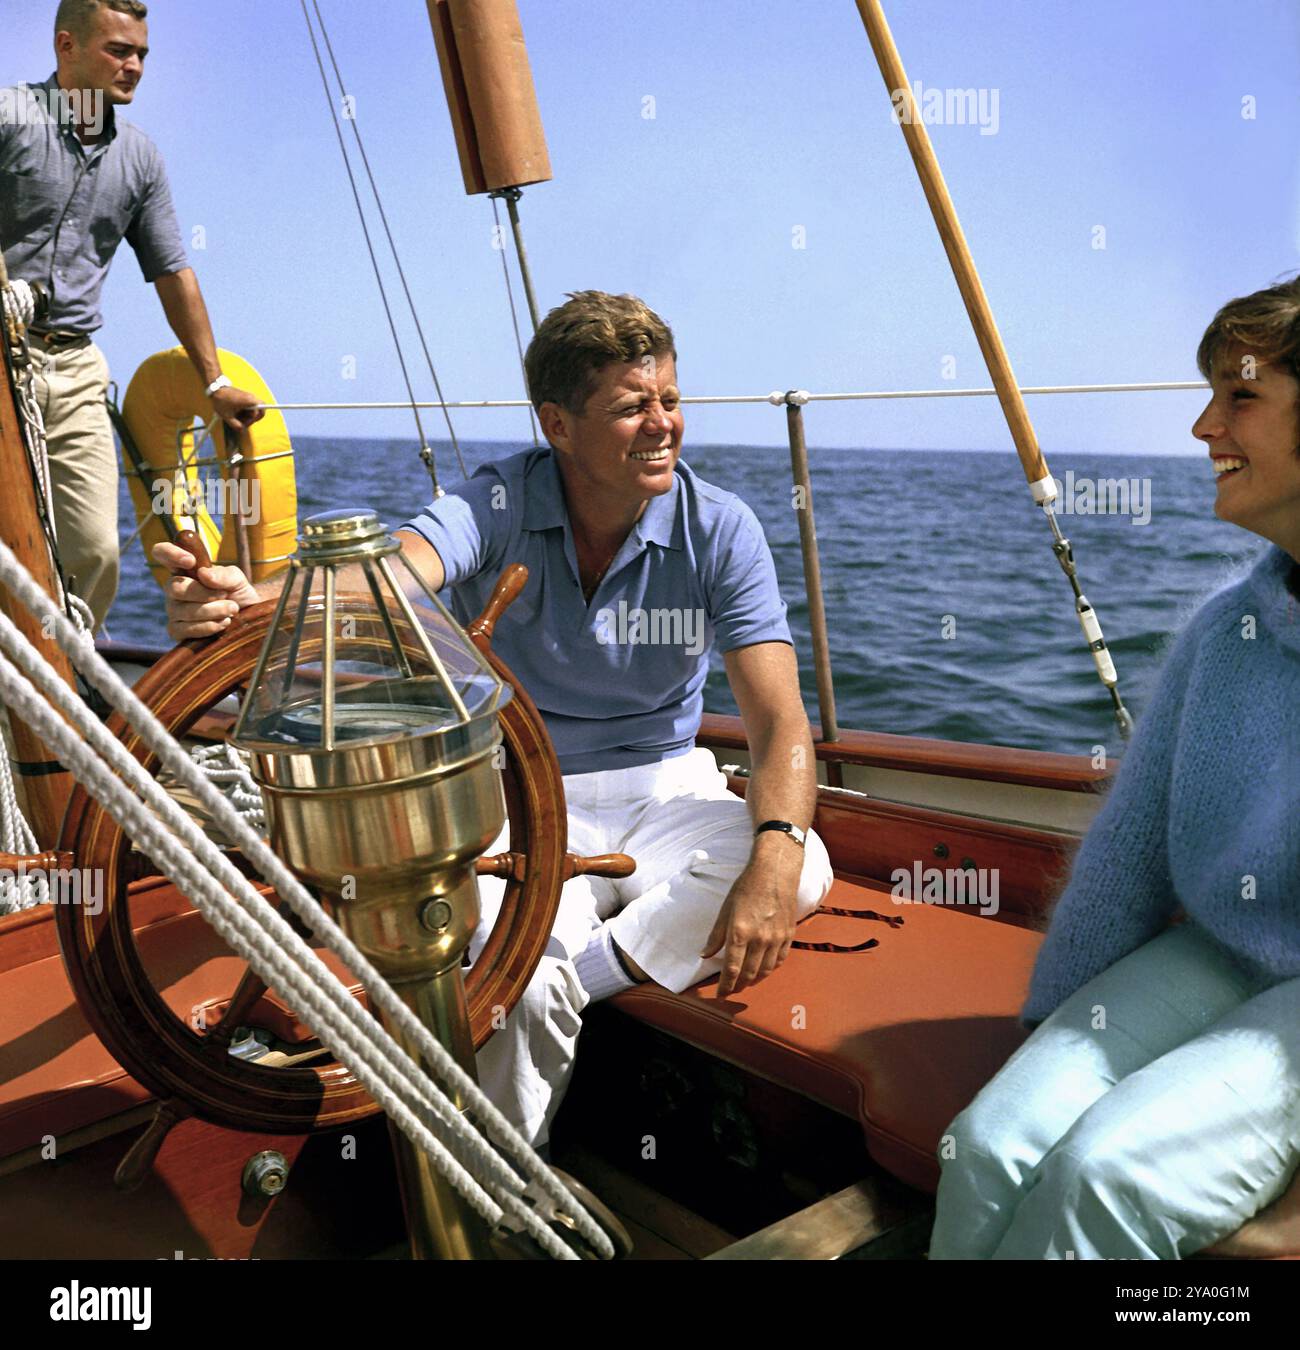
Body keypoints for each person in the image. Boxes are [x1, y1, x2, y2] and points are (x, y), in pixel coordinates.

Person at [156, 290, 835, 1150]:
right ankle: (505, 1199)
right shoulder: (497, 503)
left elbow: (780, 728)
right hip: (521, 798)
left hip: (669, 790)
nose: (663, 424)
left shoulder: (722, 529)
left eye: (668, 398)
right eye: (632, 407)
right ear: (558, 424)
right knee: (520, 963)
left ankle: (576, 977)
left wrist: (770, 862)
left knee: (799, 864)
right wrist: (248, 605)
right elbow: (392, 575)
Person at [928, 275, 1300, 1260]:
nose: (1200, 424)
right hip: (1226, 952)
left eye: (1240, 395)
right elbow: (1129, 847)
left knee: (1105, 1178)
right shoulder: (1230, 631)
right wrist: (1060, 1038)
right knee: (989, 1146)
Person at [0, 0, 263, 633]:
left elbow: (173, 272)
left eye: (141, 53)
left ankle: (63, 693)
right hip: (2, 353)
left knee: (95, 550)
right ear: (67, 46)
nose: (135, 65)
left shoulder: (140, 159)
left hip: (74, 366)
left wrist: (214, 382)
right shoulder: (10, 117)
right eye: (119, 50)